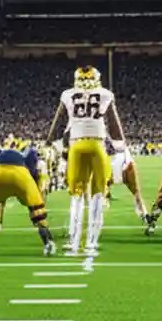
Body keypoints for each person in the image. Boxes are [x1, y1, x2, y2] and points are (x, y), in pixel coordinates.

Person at [46, 66, 127, 257]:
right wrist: (120, 146)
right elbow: (114, 126)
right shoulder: (105, 94)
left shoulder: (68, 94)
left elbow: (58, 123)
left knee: (76, 196)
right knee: (97, 195)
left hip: (77, 145)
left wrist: (49, 142)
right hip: (97, 145)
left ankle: (74, 242)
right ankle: (91, 242)